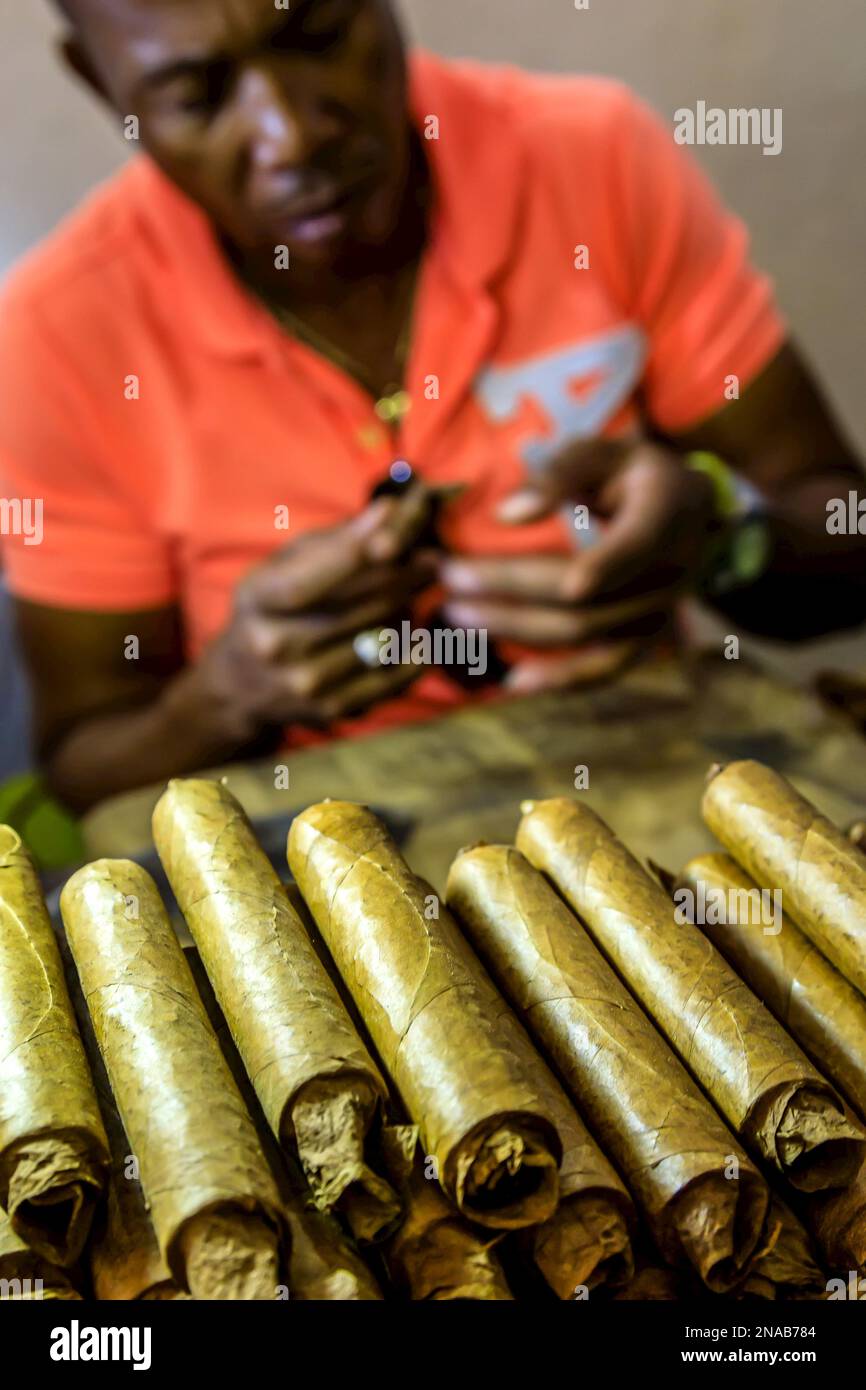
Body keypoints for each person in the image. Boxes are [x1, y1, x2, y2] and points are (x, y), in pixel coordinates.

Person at [1, 0, 863, 814]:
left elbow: (845, 543)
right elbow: (86, 762)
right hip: (315, 863)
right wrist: (225, 700)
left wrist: (720, 530)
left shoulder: (590, 159)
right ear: (98, 81)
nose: (293, 135)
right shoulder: (58, 332)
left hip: (645, 788)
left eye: (319, 34)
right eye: (197, 94)